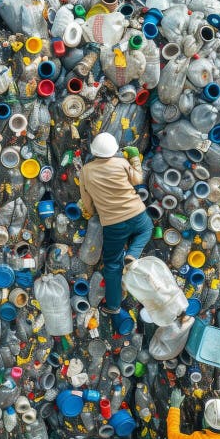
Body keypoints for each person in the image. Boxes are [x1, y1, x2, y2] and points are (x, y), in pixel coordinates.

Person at [78, 132, 153, 326]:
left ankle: (113, 306)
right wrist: (135, 158)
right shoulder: (121, 163)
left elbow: (87, 201)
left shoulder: (85, 171)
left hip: (112, 223)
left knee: (112, 265)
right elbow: (138, 180)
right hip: (137, 214)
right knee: (147, 230)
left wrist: (94, 212)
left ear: (94, 151)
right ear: (114, 150)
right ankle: (133, 254)